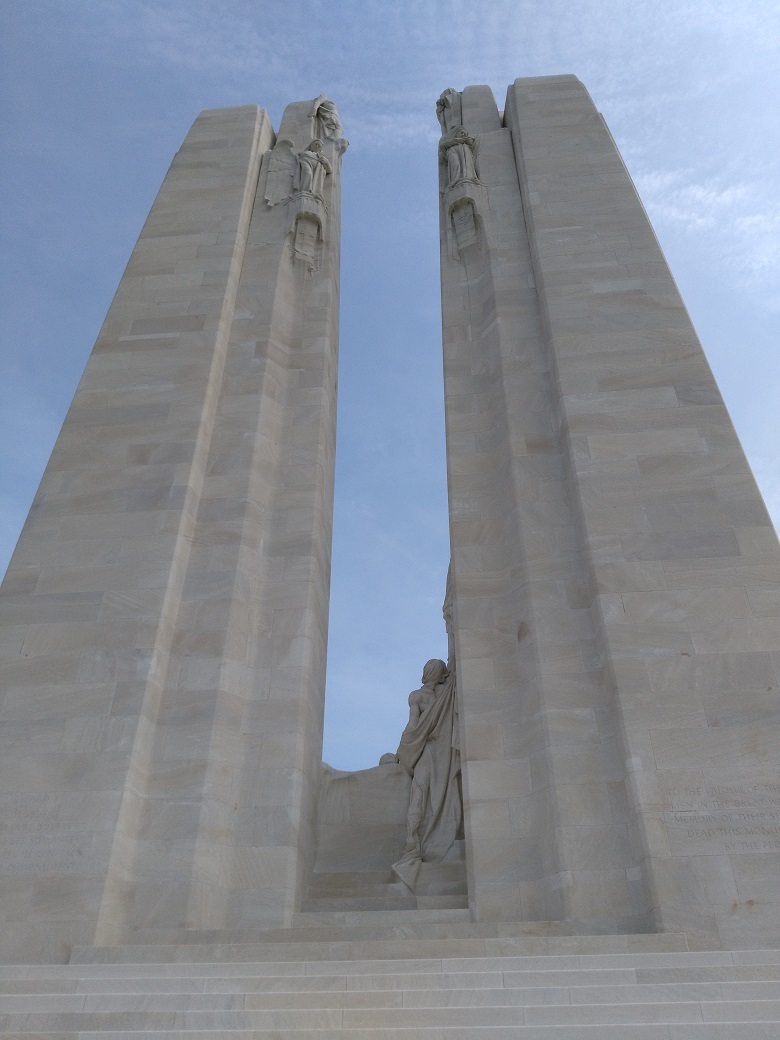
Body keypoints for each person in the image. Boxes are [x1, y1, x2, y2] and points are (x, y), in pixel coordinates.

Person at [391, 658, 462, 891]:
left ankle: (413, 843)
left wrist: (402, 751)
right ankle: (414, 845)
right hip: (444, 752)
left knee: (419, 794)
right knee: (427, 794)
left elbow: (413, 726)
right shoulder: (447, 693)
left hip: (431, 751)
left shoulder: (418, 696)